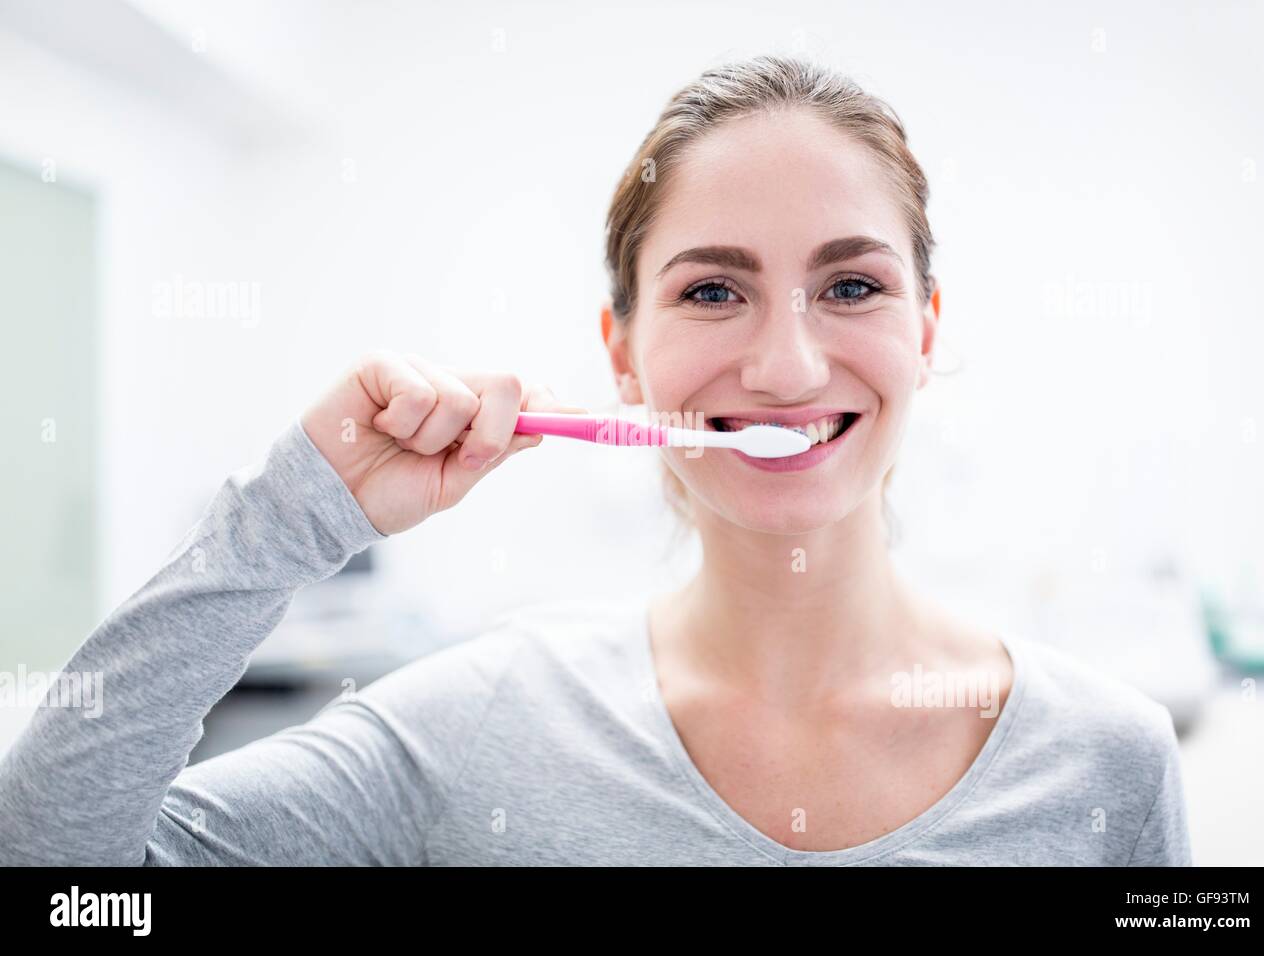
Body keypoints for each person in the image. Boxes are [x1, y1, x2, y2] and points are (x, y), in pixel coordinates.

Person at [0, 55, 1191, 865]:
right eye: (713, 289)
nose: (783, 365)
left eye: (851, 285)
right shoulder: (478, 728)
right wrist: (288, 520)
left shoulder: (1108, 760)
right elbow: (58, 872)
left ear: (923, 331)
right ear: (623, 352)